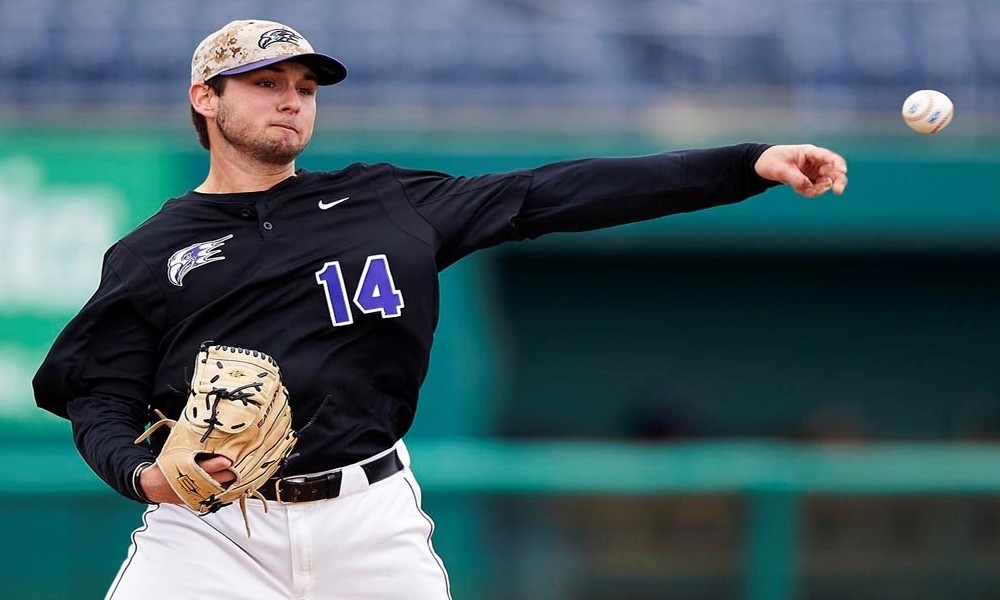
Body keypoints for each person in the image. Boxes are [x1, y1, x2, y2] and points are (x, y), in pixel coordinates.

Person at [32, 18, 848, 600]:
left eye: (305, 86)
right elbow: (96, 395)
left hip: (366, 515)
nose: (292, 99)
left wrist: (746, 164)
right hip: (213, 533)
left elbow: (550, 195)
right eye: (266, 83)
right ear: (206, 100)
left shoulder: (382, 201)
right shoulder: (152, 251)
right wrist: (144, 475)